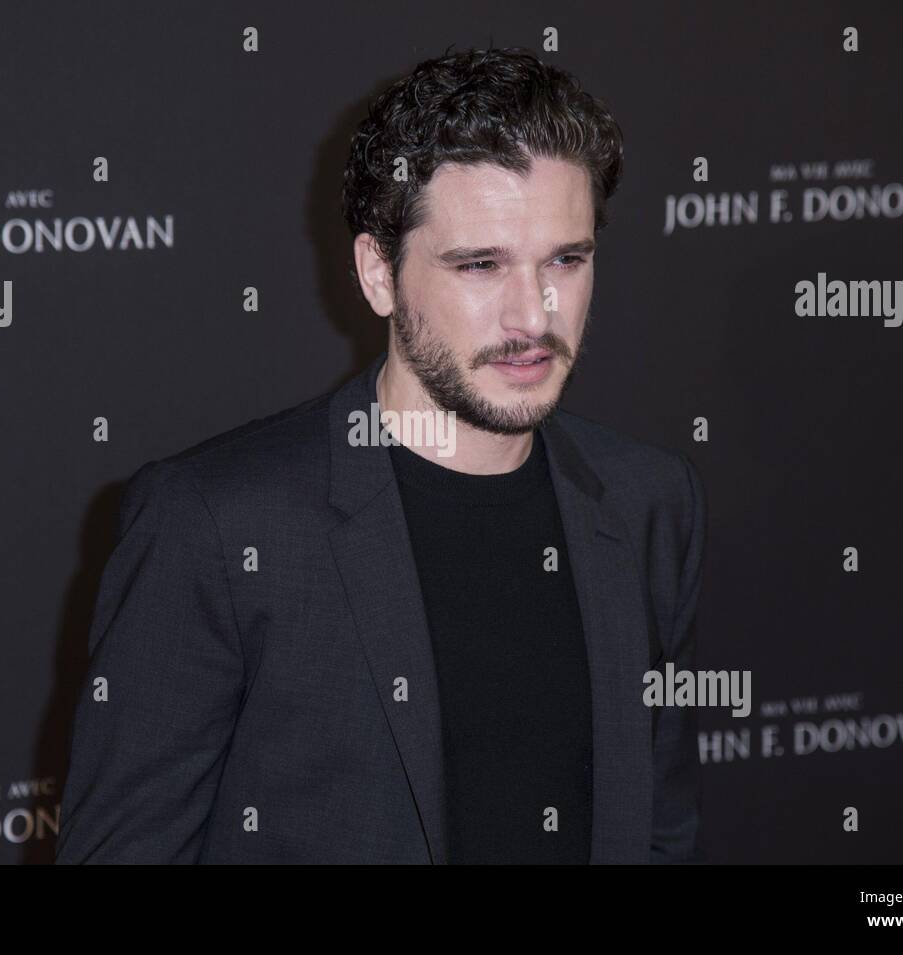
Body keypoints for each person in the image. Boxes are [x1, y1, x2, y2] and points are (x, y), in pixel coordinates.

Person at [55, 46, 706, 864]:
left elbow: (659, 830)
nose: (532, 315)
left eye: (565, 261)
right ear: (378, 274)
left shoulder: (650, 502)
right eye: (480, 265)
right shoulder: (218, 525)